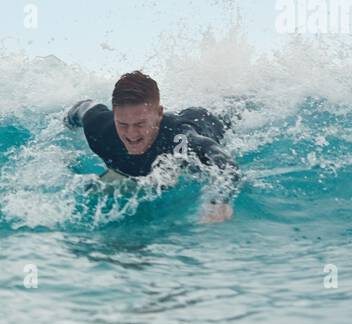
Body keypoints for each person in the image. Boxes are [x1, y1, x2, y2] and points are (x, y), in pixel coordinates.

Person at [64, 70, 240, 223]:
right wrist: (66, 125)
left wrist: (219, 203)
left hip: (205, 120)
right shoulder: (101, 128)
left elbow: (225, 164)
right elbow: (84, 107)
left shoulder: (179, 138)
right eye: (123, 124)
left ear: (159, 114)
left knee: (234, 111)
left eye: (140, 124)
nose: (131, 135)